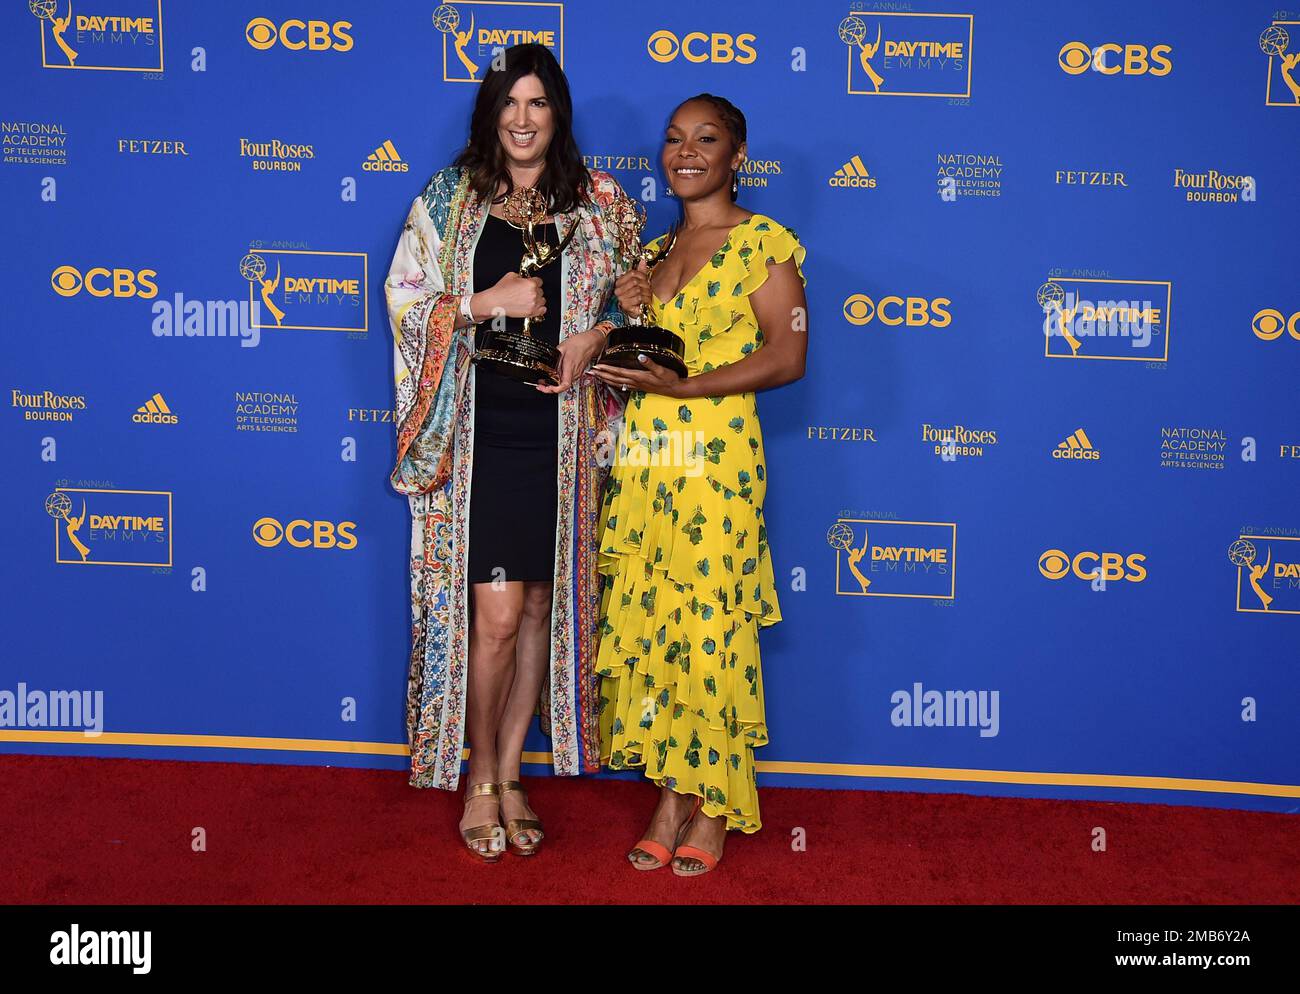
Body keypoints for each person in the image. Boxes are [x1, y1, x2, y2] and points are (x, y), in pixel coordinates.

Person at [384, 43, 627, 861]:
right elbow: (407, 304)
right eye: (509, 105)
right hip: (481, 434)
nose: (523, 121)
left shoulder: (598, 204)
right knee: (491, 618)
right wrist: (486, 301)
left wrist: (593, 332)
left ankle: (515, 771)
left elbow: (640, 302)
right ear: (490, 115)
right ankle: (481, 775)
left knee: (533, 613)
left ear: (557, 115)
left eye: (538, 105)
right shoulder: (452, 199)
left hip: (559, 441)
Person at [590, 94, 808, 876]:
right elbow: (658, 360)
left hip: (715, 461)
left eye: (706, 139)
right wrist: (630, 328)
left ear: (737, 154)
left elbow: (788, 357)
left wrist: (684, 389)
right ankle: (669, 795)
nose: (686, 152)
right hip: (649, 461)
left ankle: (714, 803)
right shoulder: (652, 252)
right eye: (675, 139)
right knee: (660, 629)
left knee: (712, 623)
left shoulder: (762, 243)